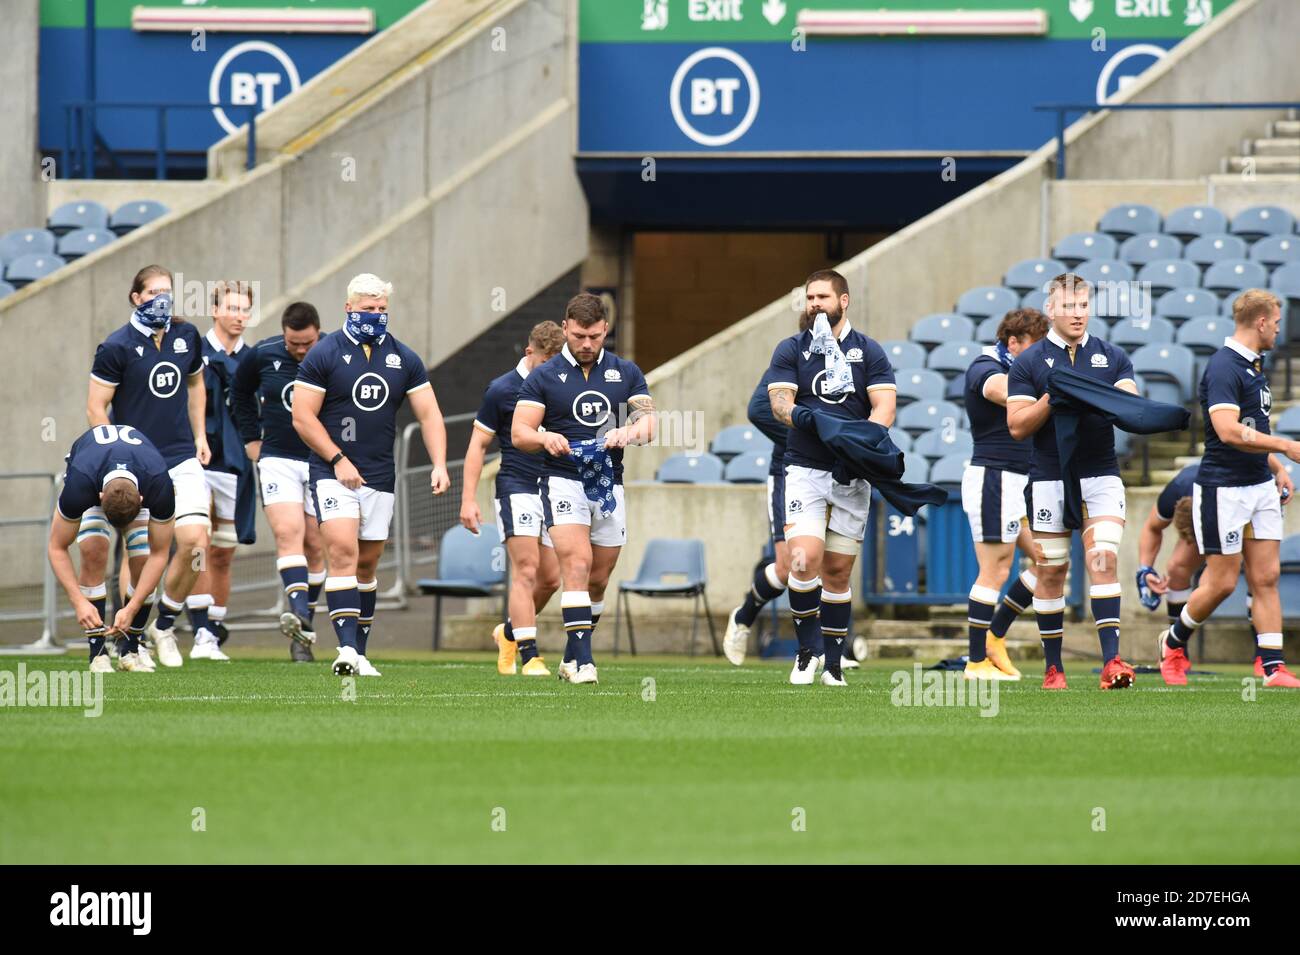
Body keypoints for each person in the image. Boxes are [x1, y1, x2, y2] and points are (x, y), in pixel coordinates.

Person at [293, 273, 450, 677]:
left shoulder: (405, 358)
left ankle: (359, 652)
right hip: (332, 472)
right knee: (342, 552)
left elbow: (429, 414)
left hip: (380, 475)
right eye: (367, 309)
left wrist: (437, 463)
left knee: (367, 565)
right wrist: (337, 458)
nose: (376, 316)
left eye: (381, 310)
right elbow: (302, 417)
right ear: (348, 307)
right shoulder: (324, 353)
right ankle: (345, 650)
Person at [1156, 289, 1300, 688]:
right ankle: (1172, 642)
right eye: (1274, 322)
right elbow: (1227, 431)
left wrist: (1276, 466)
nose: (1277, 329)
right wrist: (1286, 446)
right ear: (1259, 322)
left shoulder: (1255, 366)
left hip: (1259, 487)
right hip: (1224, 490)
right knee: (1221, 582)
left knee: (1266, 578)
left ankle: (1272, 668)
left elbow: (1253, 427)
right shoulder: (1224, 366)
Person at [511, 293, 656, 685]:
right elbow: (519, 432)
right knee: (576, 565)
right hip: (562, 480)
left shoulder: (626, 372)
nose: (587, 344)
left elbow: (649, 424)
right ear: (565, 329)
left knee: (598, 578)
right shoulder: (544, 375)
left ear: (605, 330)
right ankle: (587, 663)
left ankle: (572, 657)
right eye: (579, 336)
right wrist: (545, 439)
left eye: (594, 336)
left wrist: (628, 430)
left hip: (608, 482)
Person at [1007, 273, 1140, 690]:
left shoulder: (1111, 356)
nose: (1077, 314)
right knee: (1051, 572)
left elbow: (1131, 409)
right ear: (1051, 310)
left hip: (1101, 474)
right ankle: (1053, 668)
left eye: (1083, 306)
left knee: (1103, 558)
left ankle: (1111, 662)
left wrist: (1098, 397)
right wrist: (1053, 396)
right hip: (1048, 477)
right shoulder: (1029, 362)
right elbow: (1016, 426)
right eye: (1068, 307)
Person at [767, 269, 897, 687]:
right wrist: (802, 416)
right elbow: (779, 403)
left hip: (851, 475)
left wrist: (859, 445)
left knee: (839, 572)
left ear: (844, 301)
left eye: (823, 296)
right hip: (805, 468)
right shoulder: (792, 349)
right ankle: (807, 653)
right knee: (803, 560)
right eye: (810, 297)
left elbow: (884, 408)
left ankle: (835, 665)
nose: (815, 304)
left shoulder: (870, 352)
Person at [86, 265, 212, 668]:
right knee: (138, 556)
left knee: (195, 542)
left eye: (167, 291)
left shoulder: (186, 335)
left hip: (181, 457)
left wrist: (200, 437)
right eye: (153, 292)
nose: (161, 298)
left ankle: (165, 623)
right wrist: (115, 454)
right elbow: (95, 406)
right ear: (135, 297)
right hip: (137, 462)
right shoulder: (115, 346)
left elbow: (196, 385)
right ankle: (130, 640)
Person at [461, 321, 565, 676]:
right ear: (529, 353)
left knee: (550, 579)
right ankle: (530, 654)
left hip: (552, 488)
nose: (550, 371)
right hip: (516, 486)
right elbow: (478, 445)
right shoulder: (502, 389)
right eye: (544, 363)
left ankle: (508, 632)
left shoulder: (561, 383)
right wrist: (468, 499)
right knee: (526, 569)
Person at [232, 301, 327, 662]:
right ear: (284, 334)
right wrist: (250, 438)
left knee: (316, 545)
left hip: (320, 460)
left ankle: (303, 630)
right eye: (294, 344)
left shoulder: (333, 354)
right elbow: (239, 393)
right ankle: (299, 616)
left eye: (307, 343)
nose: (301, 351)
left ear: (319, 333)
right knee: (289, 535)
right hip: (278, 460)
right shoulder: (263, 354)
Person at [961, 307, 1048, 681]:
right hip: (994, 477)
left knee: (1050, 564)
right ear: (1013, 343)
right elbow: (1004, 391)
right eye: (1034, 349)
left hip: (1019, 481)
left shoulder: (1028, 371)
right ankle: (975, 661)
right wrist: (1058, 388)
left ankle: (995, 637)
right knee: (994, 570)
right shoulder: (985, 365)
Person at [48, 426, 176, 672]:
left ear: (141, 499)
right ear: (99, 496)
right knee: (93, 549)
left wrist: (132, 607)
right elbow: (57, 547)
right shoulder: (81, 484)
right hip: (91, 465)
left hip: (140, 472)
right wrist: (78, 603)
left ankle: (130, 648)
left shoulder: (159, 482)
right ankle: (97, 651)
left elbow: (160, 554)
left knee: (142, 555)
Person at [187, 280, 256, 660]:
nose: (239, 317)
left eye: (245, 310)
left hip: (234, 463)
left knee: (223, 553)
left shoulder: (254, 359)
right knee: (196, 542)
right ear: (215, 311)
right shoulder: (193, 349)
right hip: (195, 459)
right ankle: (197, 631)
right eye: (232, 309)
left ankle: (212, 630)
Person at [722, 369, 793, 667]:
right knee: (790, 567)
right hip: (791, 471)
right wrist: (816, 442)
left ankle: (831, 650)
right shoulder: (790, 357)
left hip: (835, 475)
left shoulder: (853, 358)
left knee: (832, 563)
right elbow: (760, 410)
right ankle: (744, 614)